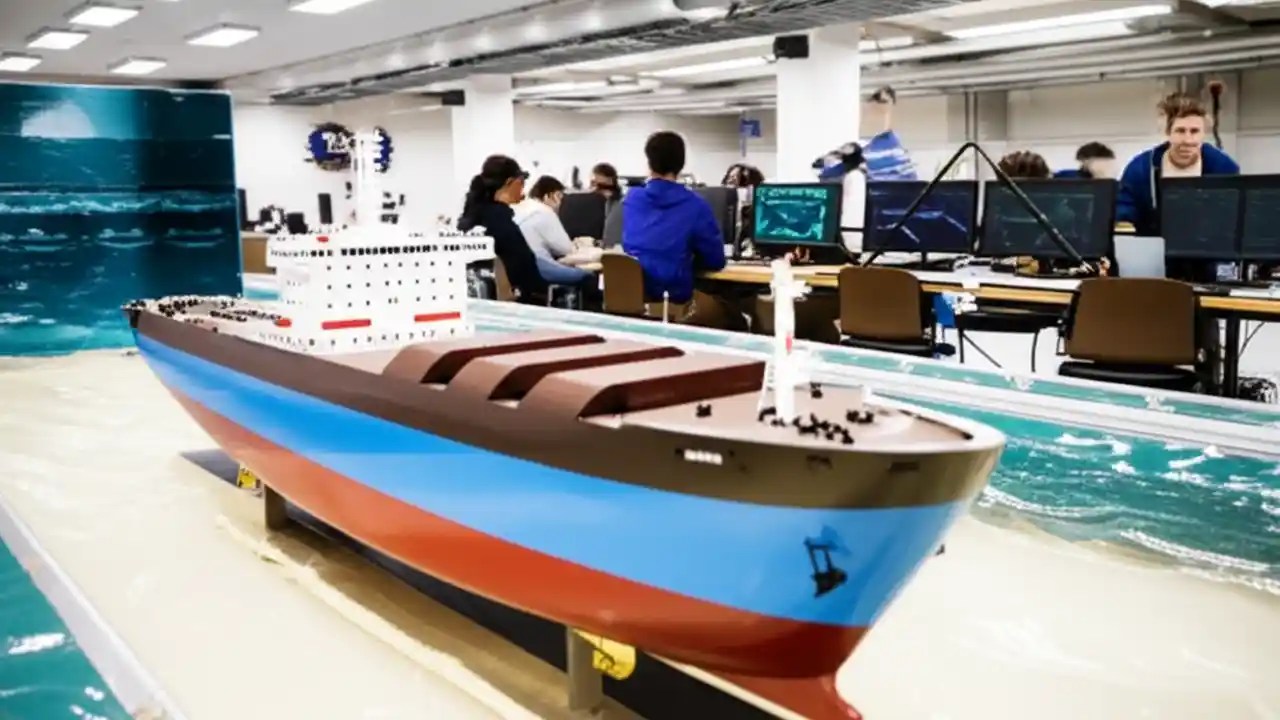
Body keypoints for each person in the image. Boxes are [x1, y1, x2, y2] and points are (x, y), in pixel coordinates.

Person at [622, 131, 738, 328]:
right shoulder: (694, 205)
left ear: (649, 162)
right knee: (734, 314)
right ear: (681, 165)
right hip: (674, 302)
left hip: (630, 299)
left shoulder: (631, 199)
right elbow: (716, 260)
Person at [1117, 92, 1240, 238]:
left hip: (1208, 253)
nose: (1188, 140)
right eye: (1180, 131)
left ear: (1203, 133)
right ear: (1168, 132)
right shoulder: (1140, 169)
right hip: (1155, 251)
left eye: (1194, 131)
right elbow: (1123, 216)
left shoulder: (1224, 168)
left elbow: (1233, 217)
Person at [458, 155, 546, 299]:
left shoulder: (474, 217)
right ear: (510, 182)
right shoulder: (500, 220)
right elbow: (524, 268)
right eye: (521, 183)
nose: (523, 189)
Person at [515, 175, 598, 288]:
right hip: (540, 268)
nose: (561, 203)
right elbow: (566, 249)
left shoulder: (522, 207)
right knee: (590, 275)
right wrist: (581, 244)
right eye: (560, 196)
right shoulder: (544, 212)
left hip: (520, 267)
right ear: (549, 196)